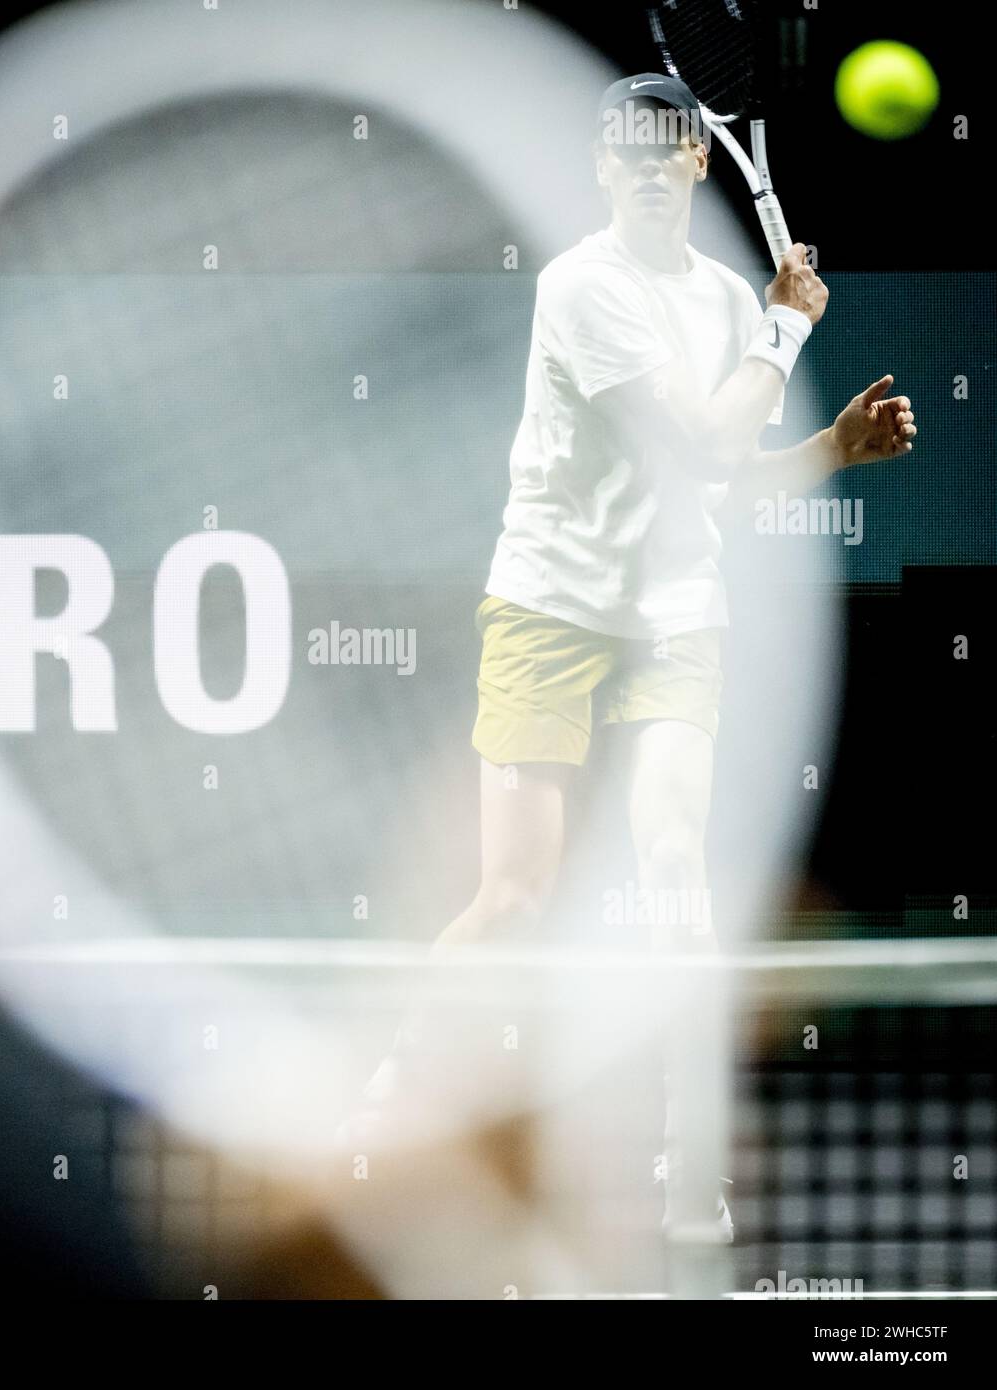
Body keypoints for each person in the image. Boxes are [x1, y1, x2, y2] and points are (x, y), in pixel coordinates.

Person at [344, 74, 915, 1240]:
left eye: (670, 150)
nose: (650, 166)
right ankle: (381, 1103)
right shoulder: (579, 287)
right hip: (548, 606)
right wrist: (788, 324)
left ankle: (687, 1164)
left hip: (670, 613)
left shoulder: (717, 297)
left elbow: (719, 477)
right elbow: (698, 430)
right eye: (628, 151)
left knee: (672, 877)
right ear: (603, 170)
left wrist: (830, 447)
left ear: (700, 166)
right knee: (511, 895)